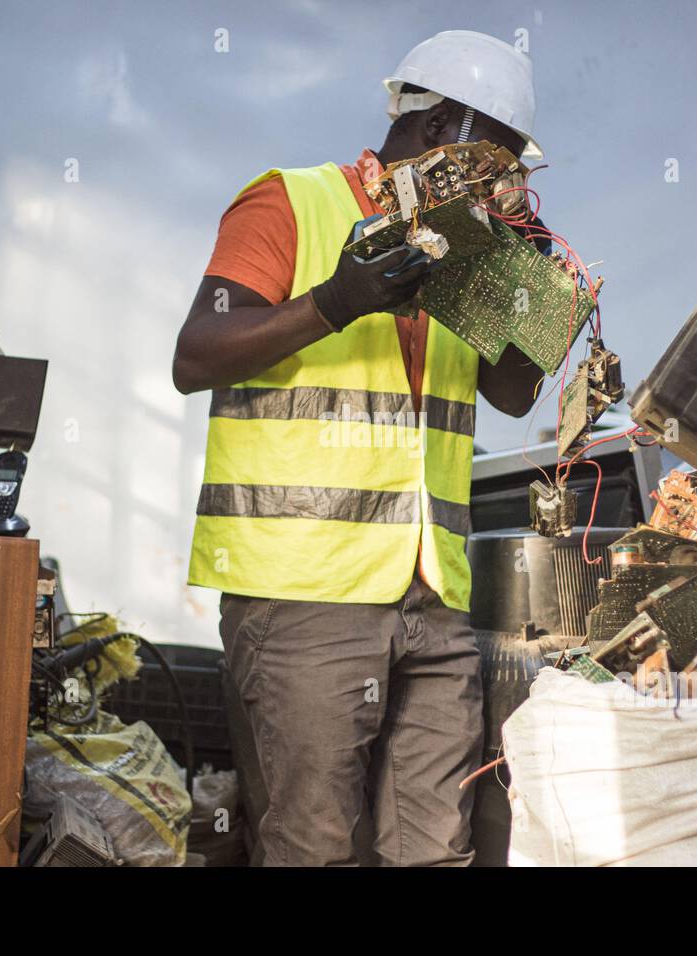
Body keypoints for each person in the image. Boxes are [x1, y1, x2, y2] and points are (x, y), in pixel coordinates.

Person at [173, 30, 549, 866]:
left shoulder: (467, 243)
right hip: (303, 592)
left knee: (433, 850)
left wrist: (531, 284)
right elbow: (194, 356)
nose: (500, 183)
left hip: (434, 595)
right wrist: (335, 302)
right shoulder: (289, 204)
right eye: (491, 160)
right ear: (442, 125)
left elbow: (514, 392)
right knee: (313, 848)